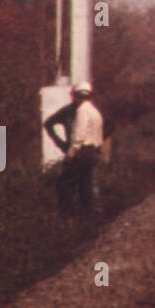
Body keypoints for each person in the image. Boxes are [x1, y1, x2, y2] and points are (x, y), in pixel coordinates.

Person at [45, 82, 105, 218]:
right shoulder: (95, 112)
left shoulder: (81, 110)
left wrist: (71, 151)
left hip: (82, 152)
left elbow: (80, 135)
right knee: (86, 187)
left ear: (77, 96)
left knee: (63, 183)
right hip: (94, 152)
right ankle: (89, 220)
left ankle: (67, 216)